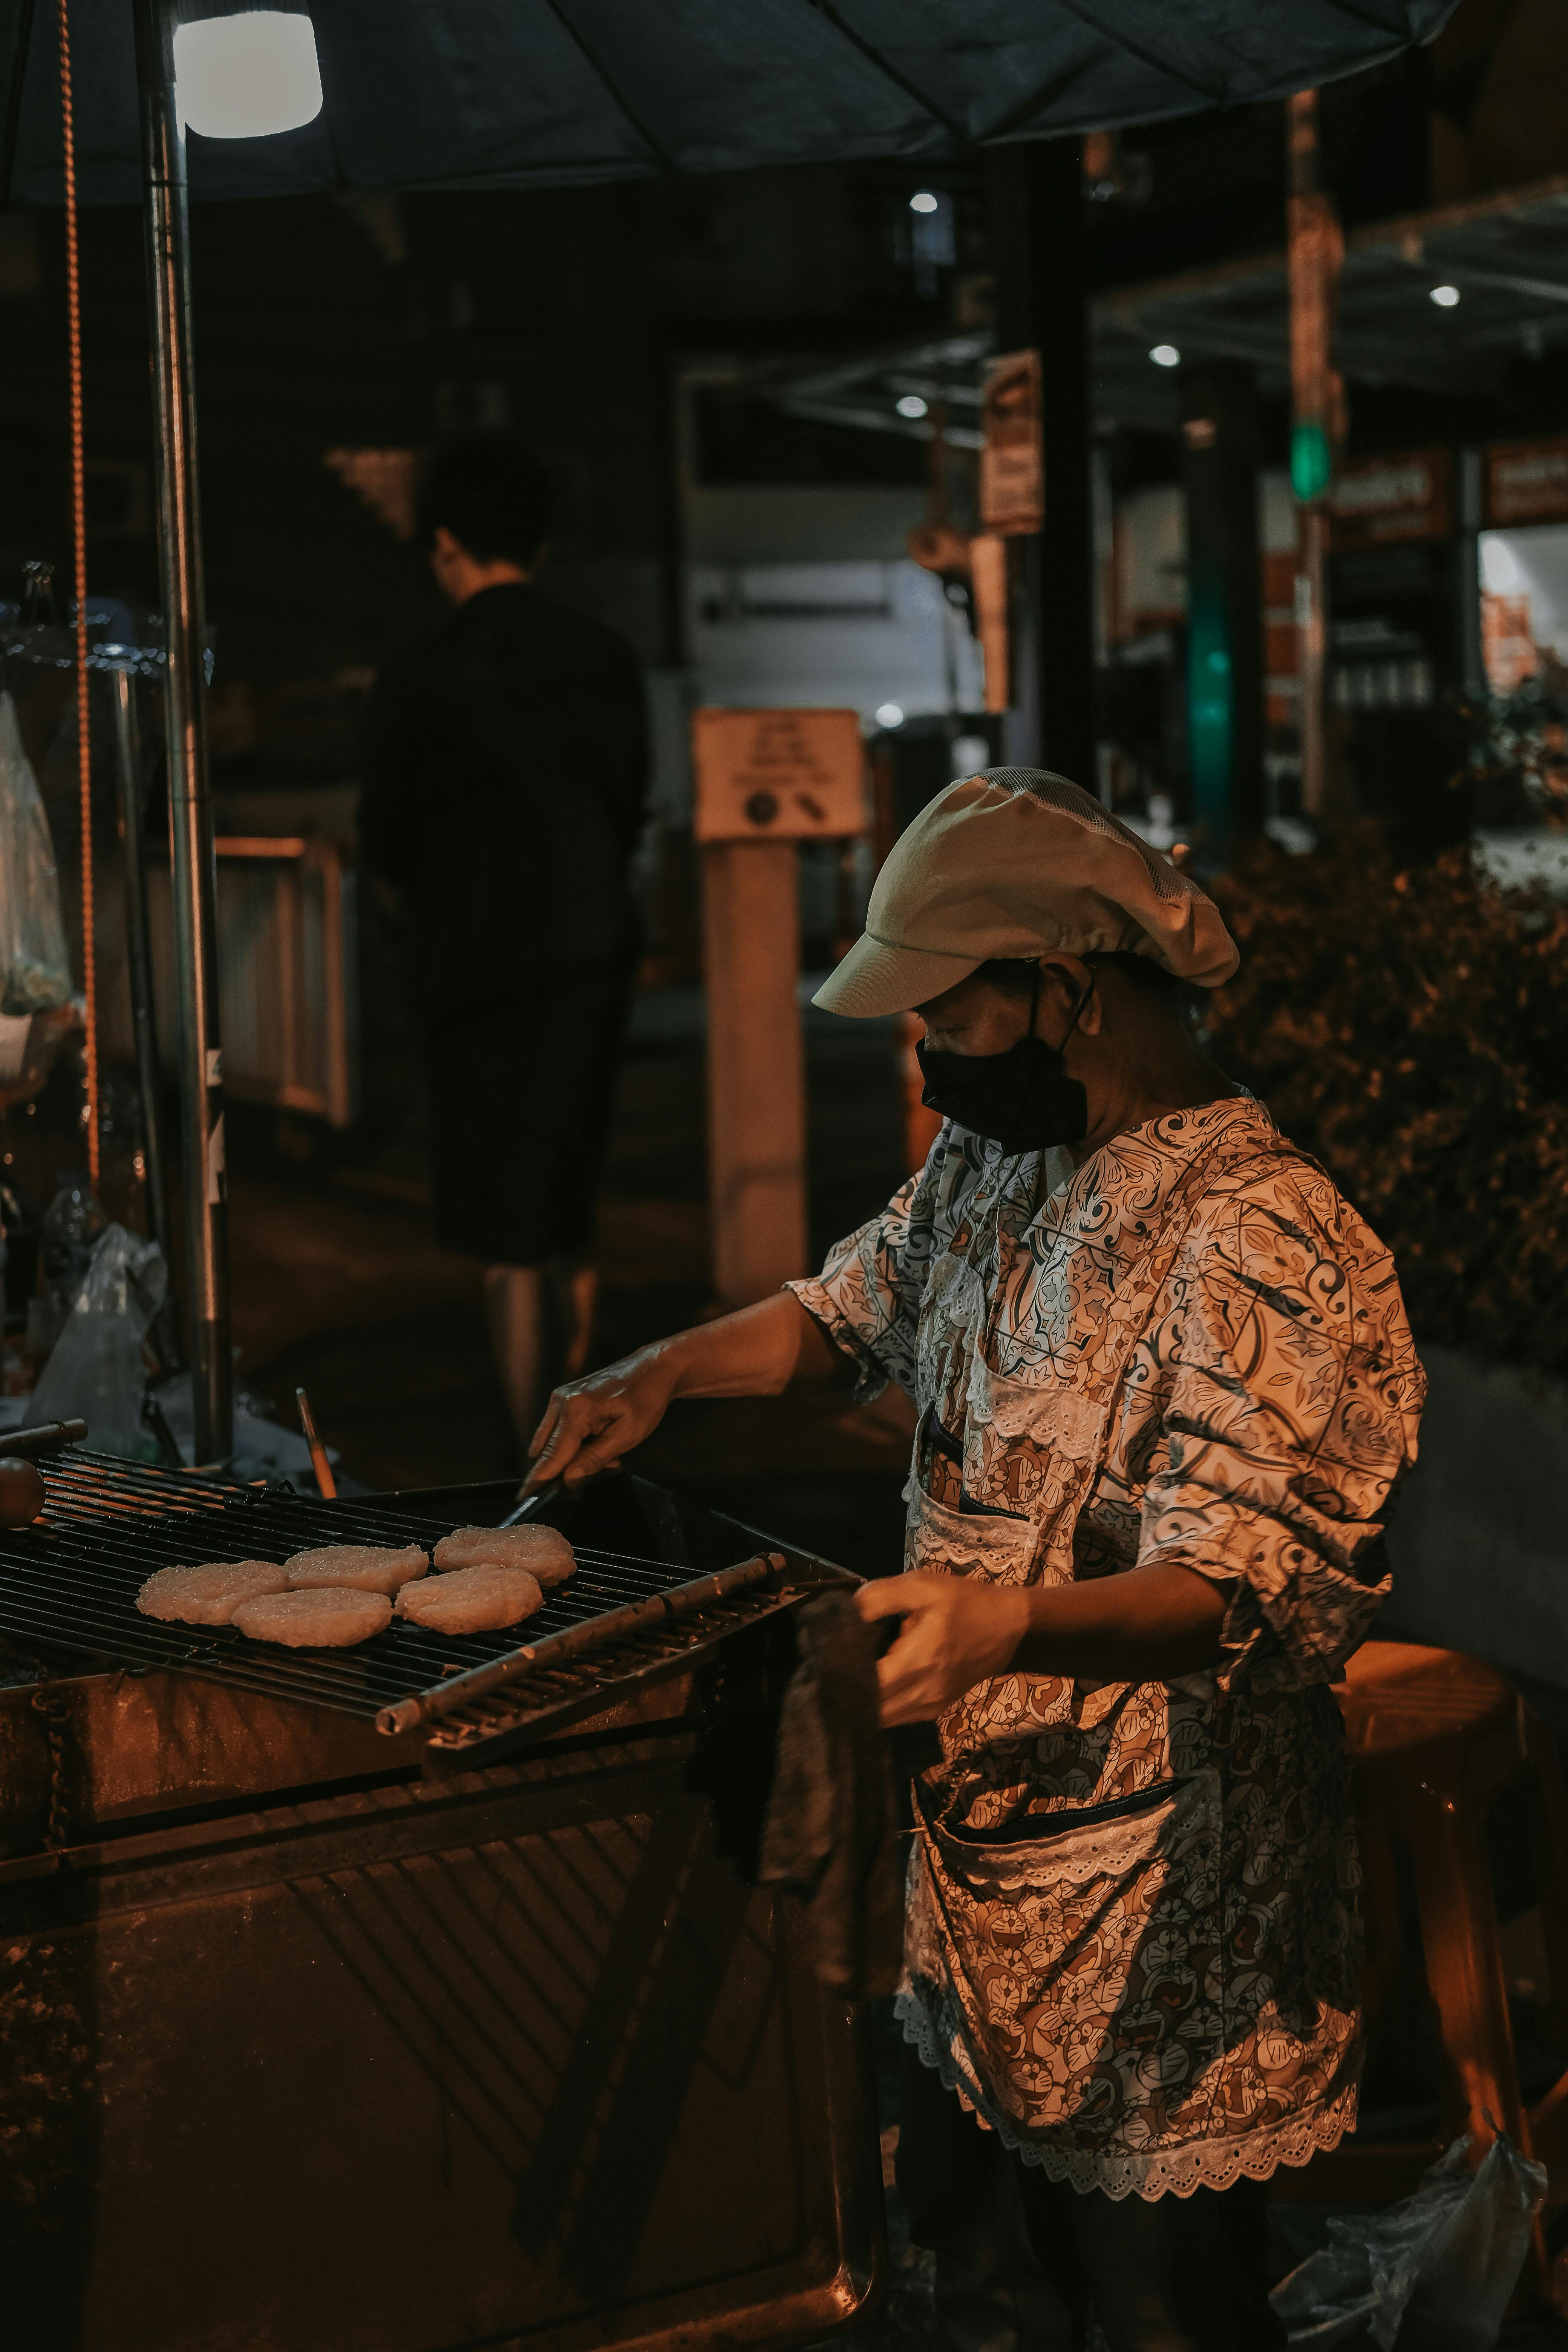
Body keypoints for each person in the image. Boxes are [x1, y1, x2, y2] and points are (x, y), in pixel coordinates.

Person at [521, 768, 1426, 2352]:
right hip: (980, 1896)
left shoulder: (1261, 1238)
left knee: (1155, 2318)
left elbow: (1230, 1589)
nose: (925, 1061)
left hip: (1166, 1917)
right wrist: (657, 1369)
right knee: (972, 2294)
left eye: (944, 1015)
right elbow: (845, 1314)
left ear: (1065, 990)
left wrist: (1004, 1627)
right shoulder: (997, 1169)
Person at [359, 432, 648, 1447]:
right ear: (545, 540)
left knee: (506, 1223)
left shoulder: (421, 676)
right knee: (566, 1190)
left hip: (473, 970)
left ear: (445, 545)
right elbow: (628, 808)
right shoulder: (606, 660)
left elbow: (385, 840)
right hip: (589, 957)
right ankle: (583, 1407)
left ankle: (539, 1442)